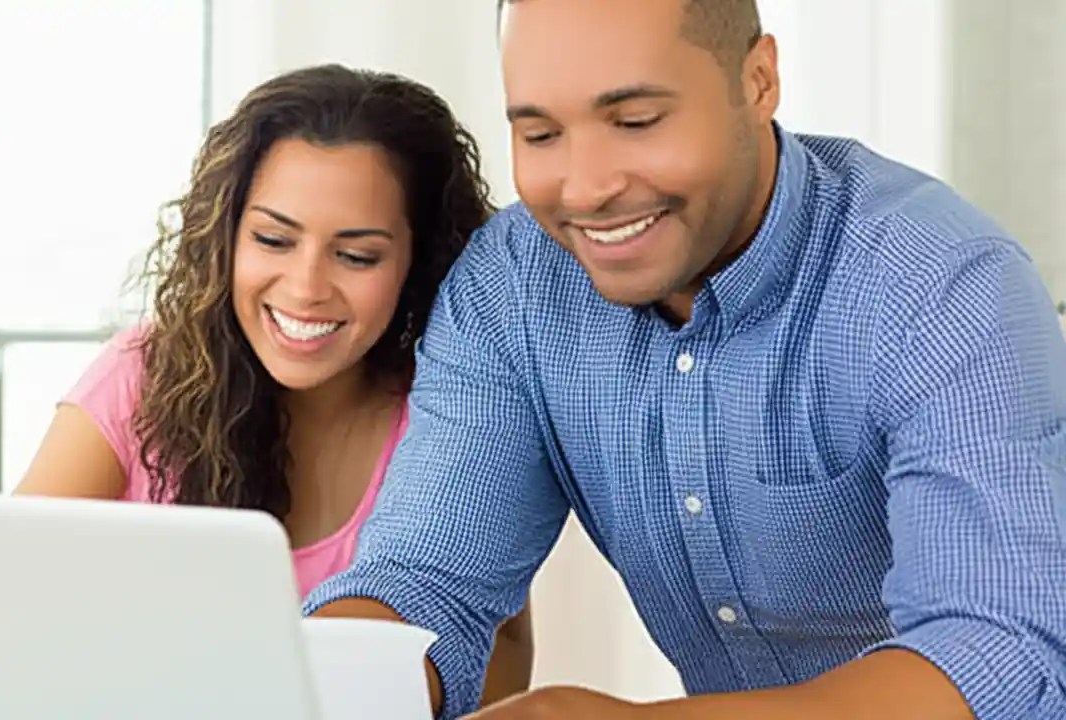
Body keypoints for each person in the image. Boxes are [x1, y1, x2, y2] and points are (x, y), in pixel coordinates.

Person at [303, 0, 1066, 718]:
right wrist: (310, 681)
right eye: (539, 135)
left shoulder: (941, 283)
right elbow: (424, 584)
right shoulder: (512, 287)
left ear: (757, 80)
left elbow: (996, 652)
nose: (587, 187)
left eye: (635, 121)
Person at [14, 63, 535, 706]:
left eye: (357, 255)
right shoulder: (140, 379)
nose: (306, 287)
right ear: (226, 236)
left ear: (418, 259)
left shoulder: (457, 415)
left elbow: (498, 657)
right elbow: (4, 592)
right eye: (272, 239)